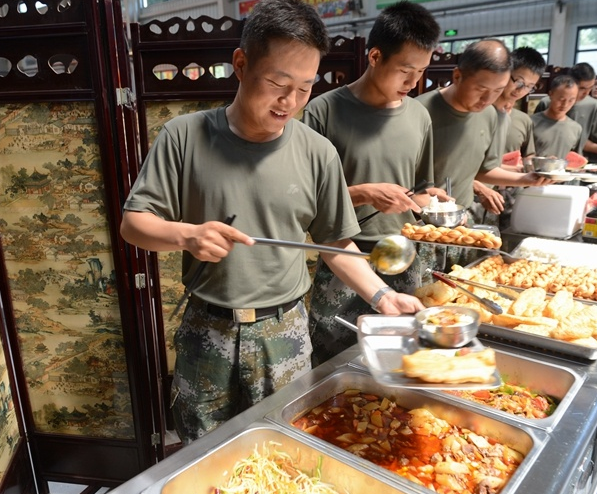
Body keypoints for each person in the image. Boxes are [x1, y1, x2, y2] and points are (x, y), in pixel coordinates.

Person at [119, 0, 422, 443]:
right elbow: (133, 223)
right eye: (278, 84)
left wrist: (382, 296)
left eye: (305, 88)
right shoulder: (183, 136)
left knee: (286, 444)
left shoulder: (318, 152)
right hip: (208, 327)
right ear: (240, 65)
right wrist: (186, 235)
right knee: (203, 446)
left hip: (285, 331)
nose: (291, 101)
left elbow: (336, 243)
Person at [302, 1, 445, 367]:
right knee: (334, 355)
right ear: (376, 56)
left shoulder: (418, 116)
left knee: (406, 358)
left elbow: (422, 187)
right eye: (406, 70)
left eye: (422, 72)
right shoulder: (324, 110)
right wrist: (364, 192)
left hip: (405, 256)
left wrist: (433, 201)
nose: (414, 83)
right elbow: (307, 204)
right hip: (345, 254)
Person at [415, 39, 551, 219]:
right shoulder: (419, 111)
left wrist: (526, 179)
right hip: (418, 219)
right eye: (481, 89)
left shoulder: (489, 114)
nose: (487, 99)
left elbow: (485, 170)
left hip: (460, 217)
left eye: (498, 90)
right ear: (457, 76)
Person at [471, 46, 546, 225]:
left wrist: (530, 173)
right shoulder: (477, 110)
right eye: (518, 81)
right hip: (465, 198)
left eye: (529, 86)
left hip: (494, 198)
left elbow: (488, 168)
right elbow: (451, 168)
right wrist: (480, 189)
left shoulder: (506, 115)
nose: (521, 90)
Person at [531, 75, 583, 158]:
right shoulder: (530, 122)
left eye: (571, 100)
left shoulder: (576, 128)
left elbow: (575, 158)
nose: (565, 105)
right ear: (550, 94)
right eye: (561, 99)